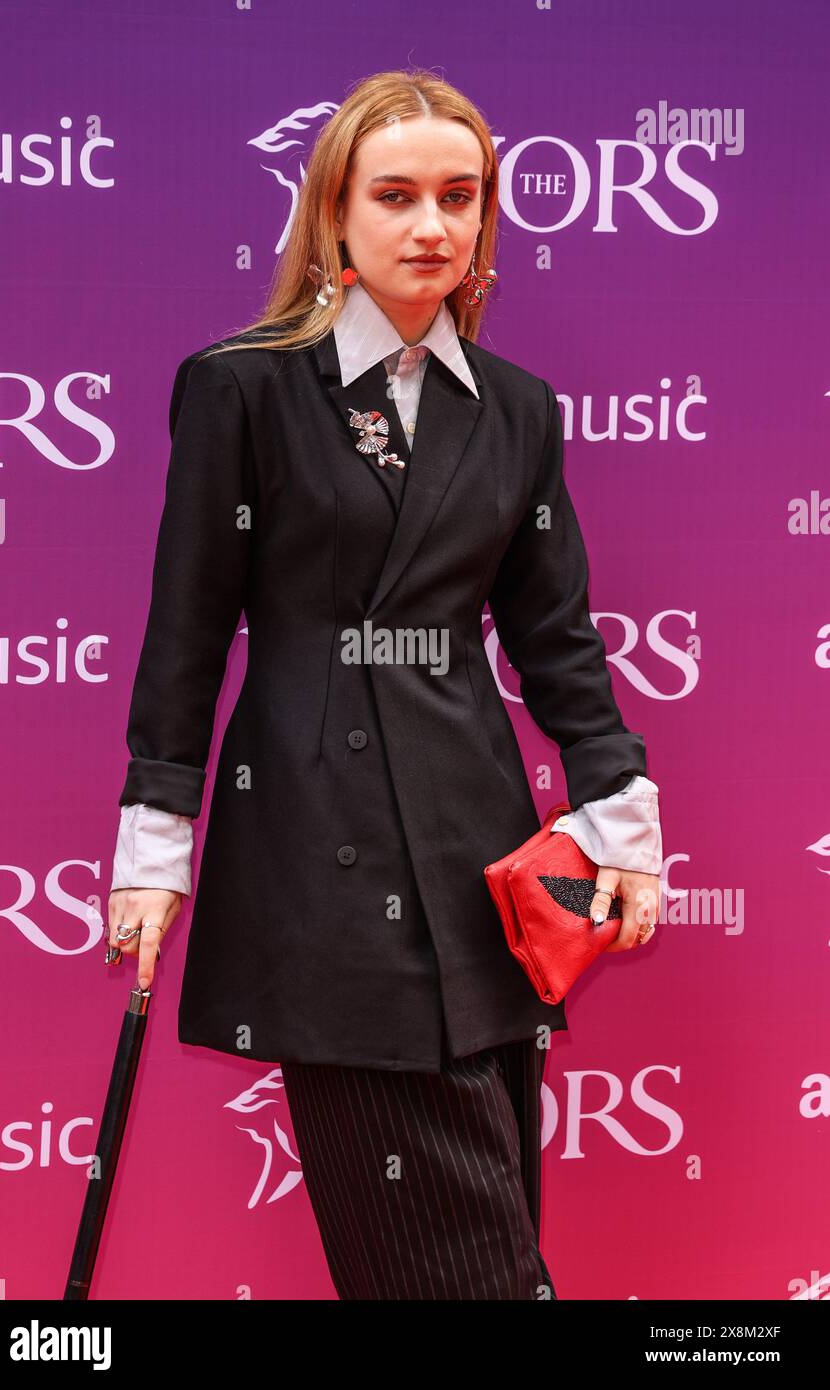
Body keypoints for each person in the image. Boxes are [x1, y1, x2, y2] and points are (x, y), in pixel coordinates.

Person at [107, 68, 662, 1300]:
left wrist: (622, 815)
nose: (432, 226)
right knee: (454, 1268)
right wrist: (155, 846)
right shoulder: (243, 387)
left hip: (481, 858)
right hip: (322, 860)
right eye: (397, 195)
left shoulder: (518, 411)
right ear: (332, 214)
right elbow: (186, 628)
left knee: (483, 1237)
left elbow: (557, 639)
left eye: (460, 197)